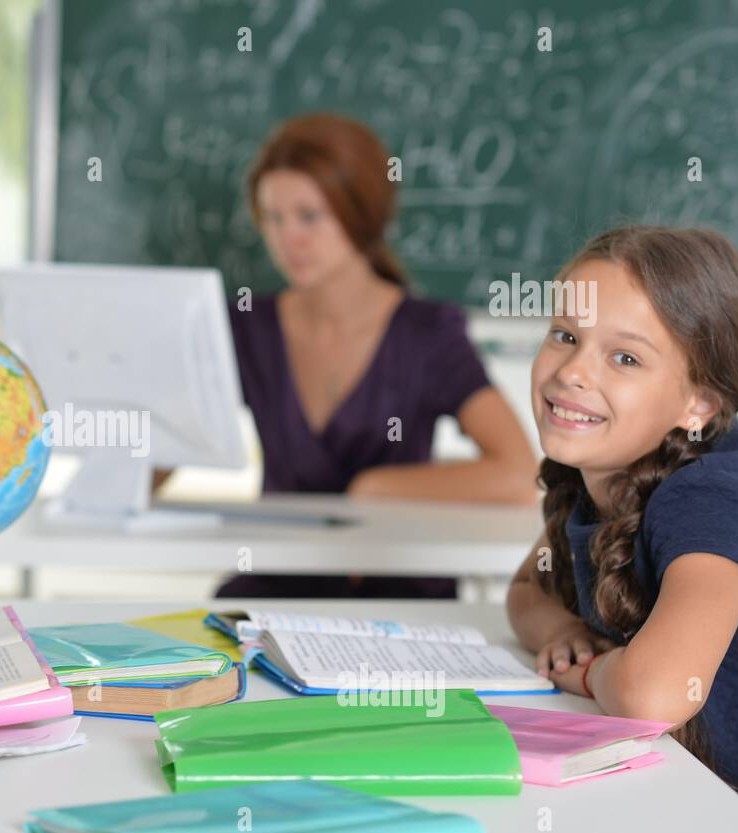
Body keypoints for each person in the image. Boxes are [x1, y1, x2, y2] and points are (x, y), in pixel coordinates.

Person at [202, 113, 538, 600]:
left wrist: (376, 487)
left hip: (398, 585)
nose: (288, 239)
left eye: (309, 216)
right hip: (278, 579)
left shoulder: (427, 333)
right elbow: (168, 452)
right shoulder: (246, 324)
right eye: (273, 218)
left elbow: (517, 471)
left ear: (360, 214)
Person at [507, 225, 738, 795]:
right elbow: (527, 590)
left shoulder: (704, 496)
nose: (572, 373)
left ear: (701, 403)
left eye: (624, 358)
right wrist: (565, 631)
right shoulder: (601, 466)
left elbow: (658, 694)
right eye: (565, 335)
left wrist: (593, 673)